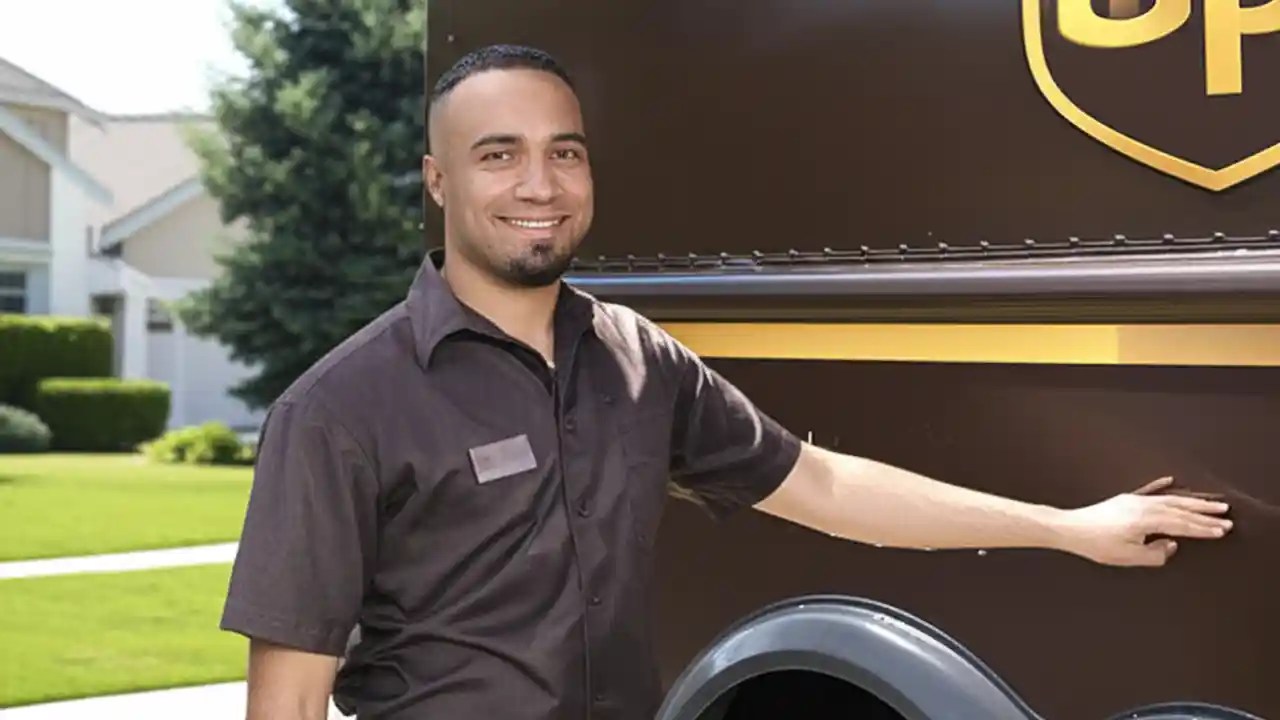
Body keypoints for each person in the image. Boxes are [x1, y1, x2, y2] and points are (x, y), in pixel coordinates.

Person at [219, 44, 1234, 720]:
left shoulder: (633, 359)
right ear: (437, 181)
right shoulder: (340, 408)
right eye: (498, 156)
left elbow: (827, 487)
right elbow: (289, 699)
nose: (538, 185)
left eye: (562, 153)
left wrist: (1064, 527)